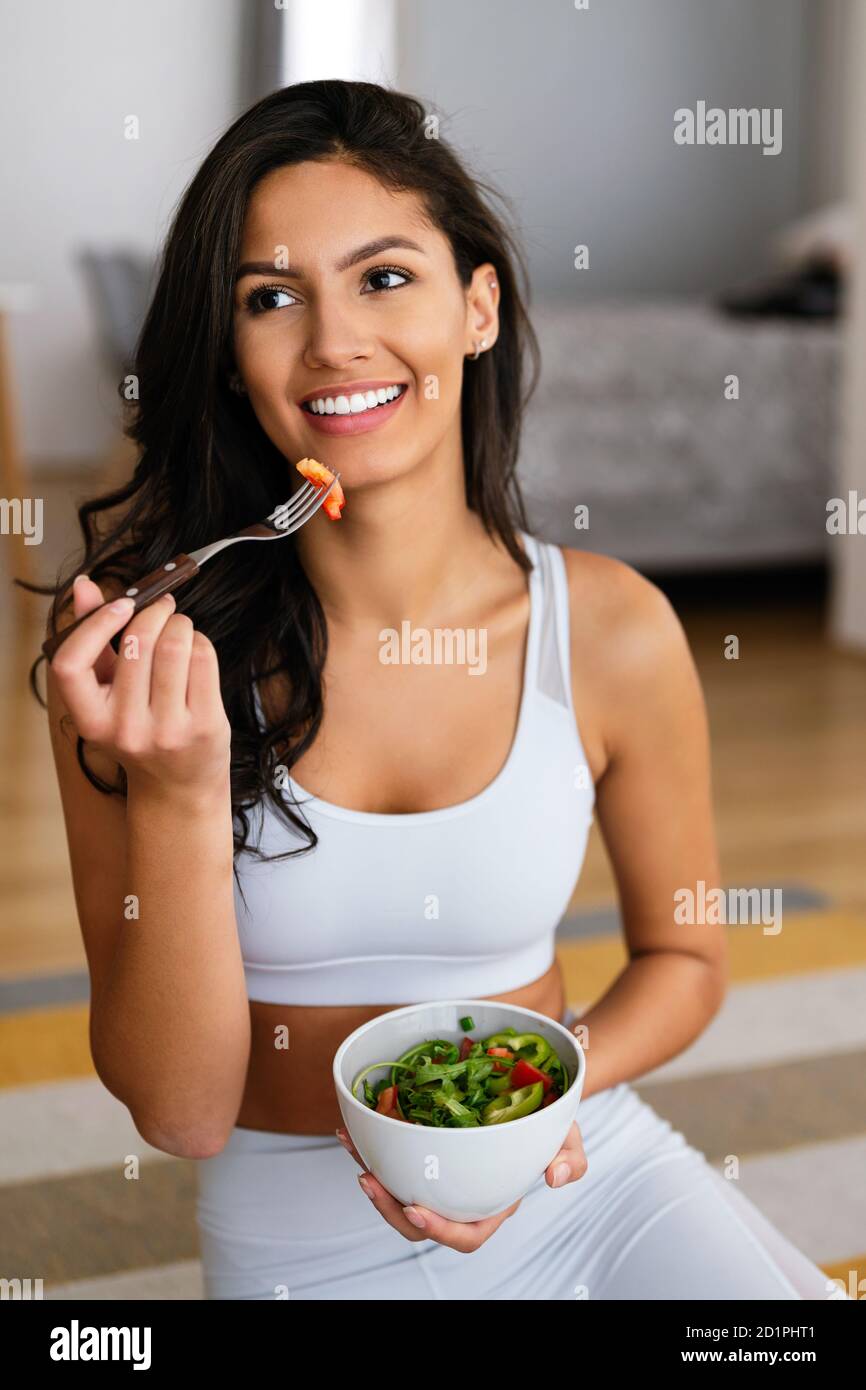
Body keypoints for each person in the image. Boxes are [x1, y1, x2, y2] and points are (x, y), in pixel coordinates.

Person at [38, 80, 837, 1301]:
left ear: (476, 306)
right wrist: (179, 794)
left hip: (583, 1176)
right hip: (305, 1245)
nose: (333, 342)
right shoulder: (150, 658)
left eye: (384, 277)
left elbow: (684, 954)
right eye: (270, 296)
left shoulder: (611, 627)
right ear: (230, 350)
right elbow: (182, 1112)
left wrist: (532, 1108)